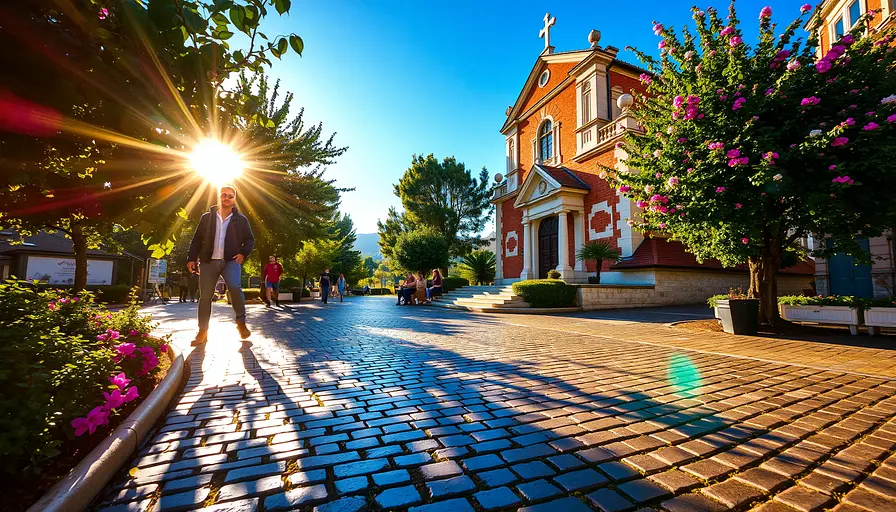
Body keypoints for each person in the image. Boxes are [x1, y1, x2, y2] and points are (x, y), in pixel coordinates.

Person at [186, 184, 254, 346]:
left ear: (234, 199)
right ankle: (203, 332)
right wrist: (191, 258)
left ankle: (241, 322)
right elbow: (197, 239)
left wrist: (243, 253)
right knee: (205, 297)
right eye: (224, 195)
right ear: (219, 196)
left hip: (230, 261)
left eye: (230, 196)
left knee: (235, 287)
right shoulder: (206, 218)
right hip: (208, 262)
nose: (227, 198)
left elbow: (250, 239)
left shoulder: (241, 220)